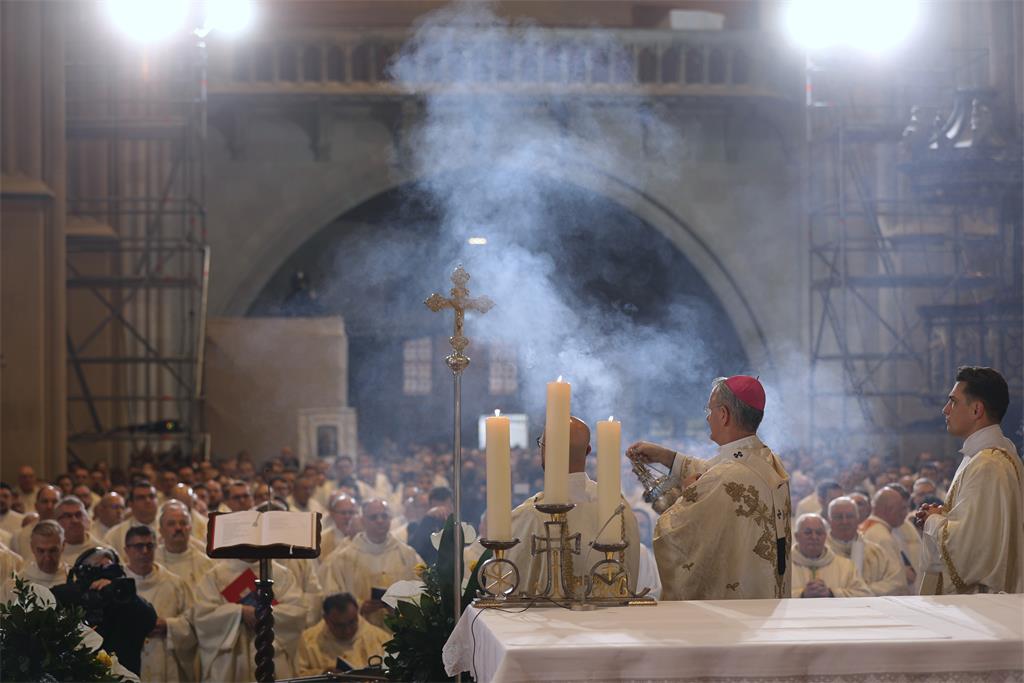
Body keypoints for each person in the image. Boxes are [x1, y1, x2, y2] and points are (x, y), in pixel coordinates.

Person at [629, 375, 791, 600]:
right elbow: (715, 470)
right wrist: (668, 457)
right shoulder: (767, 460)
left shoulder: (723, 477)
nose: (707, 417)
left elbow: (672, 535)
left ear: (723, 414)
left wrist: (685, 495)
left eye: (710, 410)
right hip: (766, 594)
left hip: (737, 609)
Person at [917, 366, 1023, 594]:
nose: (945, 409)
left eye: (953, 402)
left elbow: (969, 551)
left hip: (982, 603)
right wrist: (944, 515)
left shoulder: (988, 464)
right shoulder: (996, 455)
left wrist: (932, 520)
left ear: (976, 410)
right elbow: (982, 529)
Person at [508, 416, 642, 595]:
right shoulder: (620, 509)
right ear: (588, 451)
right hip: (613, 610)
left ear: (546, 450)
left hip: (550, 613)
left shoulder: (531, 515)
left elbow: (508, 588)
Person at [192, 554, 307, 680]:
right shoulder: (215, 576)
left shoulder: (282, 575)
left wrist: (263, 614)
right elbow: (203, 616)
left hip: (273, 656)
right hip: (232, 662)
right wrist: (239, 612)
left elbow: (297, 612)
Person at [52, 546, 158, 677]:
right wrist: (86, 595)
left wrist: (124, 595)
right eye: (98, 565)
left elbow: (149, 621)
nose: (105, 570)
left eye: (109, 566)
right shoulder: (69, 596)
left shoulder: (126, 600)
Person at [318, 498, 421, 628]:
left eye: (384, 516)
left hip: (401, 629)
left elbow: (419, 589)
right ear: (363, 521)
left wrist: (401, 605)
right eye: (373, 517)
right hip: (361, 628)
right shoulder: (344, 558)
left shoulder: (407, 554)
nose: (380, 521)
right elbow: (333, 595)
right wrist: (359, 606)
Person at [122, 525, 197, 681]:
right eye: (138, 546)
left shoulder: (175, 583)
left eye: (150, 546)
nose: (145, 551)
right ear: (126, 550)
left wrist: (168, 625)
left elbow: (193, 621)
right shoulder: (117, 585)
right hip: (128, 660)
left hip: (166, 660)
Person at [295, 592, 391, 675]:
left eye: (352, 622)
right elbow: (298, 674)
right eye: (339, 626)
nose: (347, 630)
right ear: (326, 619)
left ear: (357, 613)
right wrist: (322, 674)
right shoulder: (307, 641)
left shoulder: (381, 638)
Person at [826, 497, 904, 596]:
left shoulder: (876, 552)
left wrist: (859, 592)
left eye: (849, 516)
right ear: (829, 520)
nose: (845, 521)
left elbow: (897, 583)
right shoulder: (820, 553)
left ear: (858, 518)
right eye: (838, 517)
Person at [791, 514, 870, 598]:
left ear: (825, 536)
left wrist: (831, 593)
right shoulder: (783, 566)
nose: (814, 537)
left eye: (819, 533)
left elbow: (865, 594)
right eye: (808, 532)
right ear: (796, 536)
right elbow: (779, 597)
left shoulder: (846, 566)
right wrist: (802, 594)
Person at [861, 487, 915, 593]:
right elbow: (896, 581)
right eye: (901, 509)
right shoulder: (881, 536)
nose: (904, 514)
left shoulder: (869, 527)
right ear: (889, 509)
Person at [155, 501, 215, 586]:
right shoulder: (152, 562)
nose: (178, 528)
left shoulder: (206, 563)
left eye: (183, 523)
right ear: (161, 531)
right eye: (171, 524)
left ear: (190, 528)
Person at [104, 481, 159, 557]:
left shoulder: (169, 527)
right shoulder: (114, 535)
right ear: (131, 503)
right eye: (141, 498)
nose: (148, 501)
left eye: (152, 496)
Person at [15, 520, 69, 589]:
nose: (47, 558)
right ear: (32, 547)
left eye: (52, 551)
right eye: (41, 551)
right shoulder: (17, 584)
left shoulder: (73, 577)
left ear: (63, 545)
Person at [10, 484, 60, 557]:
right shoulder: (19, 537)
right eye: (45, 501)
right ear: (36, 506)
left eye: (54, 502)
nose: (49, 506)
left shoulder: (70, 533)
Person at [55, 496, 102, 566]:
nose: (75, 520)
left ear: (87, 519)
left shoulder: (102, 552)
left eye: (78, 515)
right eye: (68, 516)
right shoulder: (50, 553)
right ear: (57, 522)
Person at [321, 493, 359, 560]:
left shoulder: (363, 538)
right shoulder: (321, 540)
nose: (347, 517)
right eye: (343, 513)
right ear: (332, 514)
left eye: (351, 512)